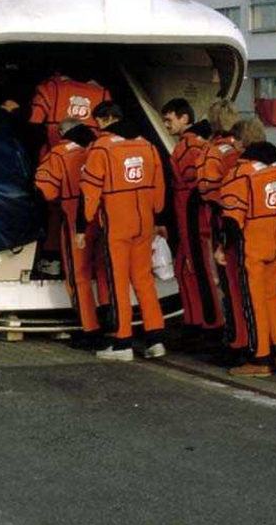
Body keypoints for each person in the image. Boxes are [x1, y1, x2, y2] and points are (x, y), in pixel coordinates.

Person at [80, 102, 167, 362]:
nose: (96, 128)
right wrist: (157, 216)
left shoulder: (102, 148)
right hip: (144, 223)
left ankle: (122, 343)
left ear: (108, 119)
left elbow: (90, 192)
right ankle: (156, 339)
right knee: (144, 281)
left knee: (118, 282)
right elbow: (160, 187)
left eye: (98, 122)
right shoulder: (148, 145)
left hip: (117, 224)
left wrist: (82, 226)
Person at [215, 127, 276, 376]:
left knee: (253, 302)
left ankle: (259, 359)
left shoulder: (240, 174)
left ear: (242, 145)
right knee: (271, 297)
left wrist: (222, 246)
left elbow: (231, 220)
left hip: (252, 247)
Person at [29, 72, 112, 275]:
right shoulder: (103, 94)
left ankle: (53, 260)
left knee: (55, 217)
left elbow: (34, 123)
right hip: (96, 179)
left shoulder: (49, 88)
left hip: (57, 170)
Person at [35, 119, 107, 348]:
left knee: (80, 277)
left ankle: (90, 329)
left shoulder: (58, 154)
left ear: (62, 133)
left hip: (75, 222)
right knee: (106, 274)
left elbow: (45, 191)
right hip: (104, 219)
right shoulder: (99, 147)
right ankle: (112, 325)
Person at [161, 98, 214, 346]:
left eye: (169, 119)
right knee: (185, 271)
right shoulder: (194, 144)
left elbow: (197, 188)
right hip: (188, 223)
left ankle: (207, 327)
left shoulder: (190, 148)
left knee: (196, 273)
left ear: (184, 118)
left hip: (193, 223)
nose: (166, 124)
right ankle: (195, 324)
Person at [196, 99, 242, 339]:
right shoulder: (240, 149)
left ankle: (232, 336)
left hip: (218, 222)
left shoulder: (211, 152)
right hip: (245, 223)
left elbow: (206, 191)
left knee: (224, 281)